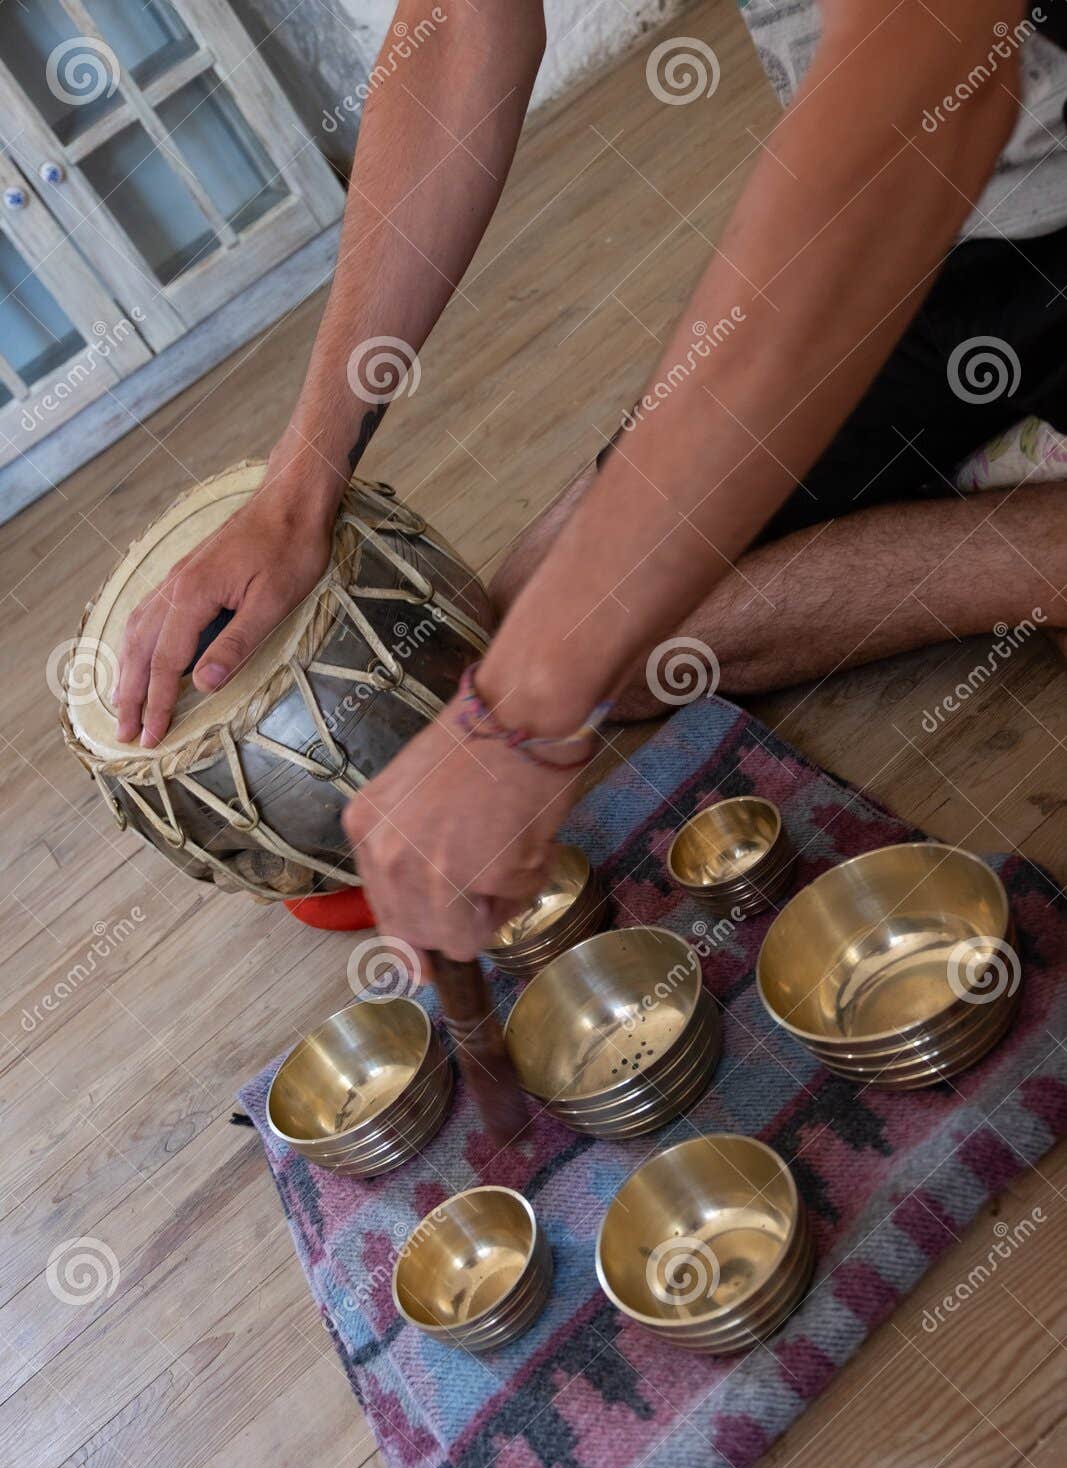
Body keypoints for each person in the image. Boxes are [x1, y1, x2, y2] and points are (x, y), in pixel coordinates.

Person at [113, 1, 1067, 959]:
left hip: (966, 186)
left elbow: (925, 110)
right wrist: (296, 491)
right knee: (527, 624)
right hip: (944, 230)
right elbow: (455, 26)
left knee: (574, 650)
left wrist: (523, 716)